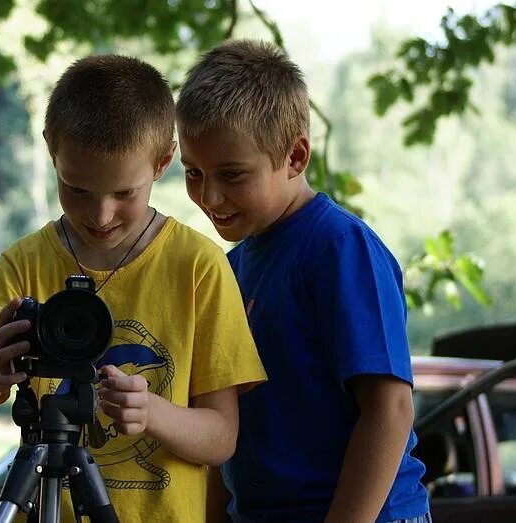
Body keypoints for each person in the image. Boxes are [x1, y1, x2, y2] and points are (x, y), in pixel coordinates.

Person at [0, 53, 267, 522]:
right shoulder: (23, 265)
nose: (100, 215)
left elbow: (222, 437)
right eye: (76, 189)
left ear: (162, 163)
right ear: (52, 154)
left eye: (124, 194)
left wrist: (151, 412)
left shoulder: (198, 266)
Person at [176, 39, 431, 523]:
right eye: (193, 172)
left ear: (295, 157)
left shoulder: (340, 248)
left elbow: (391, 409)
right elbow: (220, 426)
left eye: (232, 174)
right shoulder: (228, 270)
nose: (209, 195)